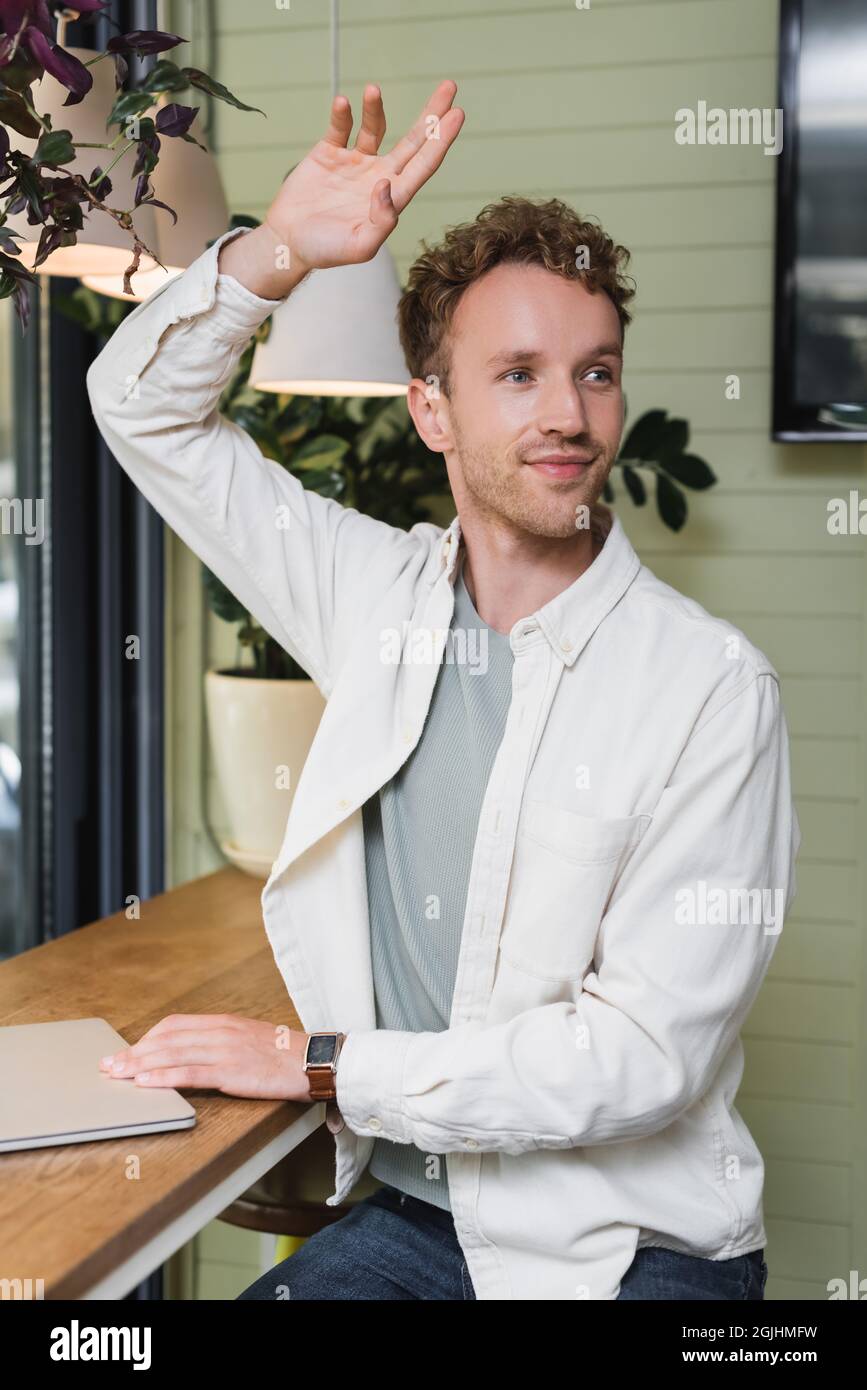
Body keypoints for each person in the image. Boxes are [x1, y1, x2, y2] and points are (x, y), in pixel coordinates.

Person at [87, 79, 798, 1300]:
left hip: (636, 1251)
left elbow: (638, 1061)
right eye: (516, 374)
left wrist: (318, 1063)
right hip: (418, 1227)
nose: (569, 415)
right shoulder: (373, 599)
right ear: (431, 409)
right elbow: (141, 411)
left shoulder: (711, 689)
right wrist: (276, 252)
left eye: (596, 372)